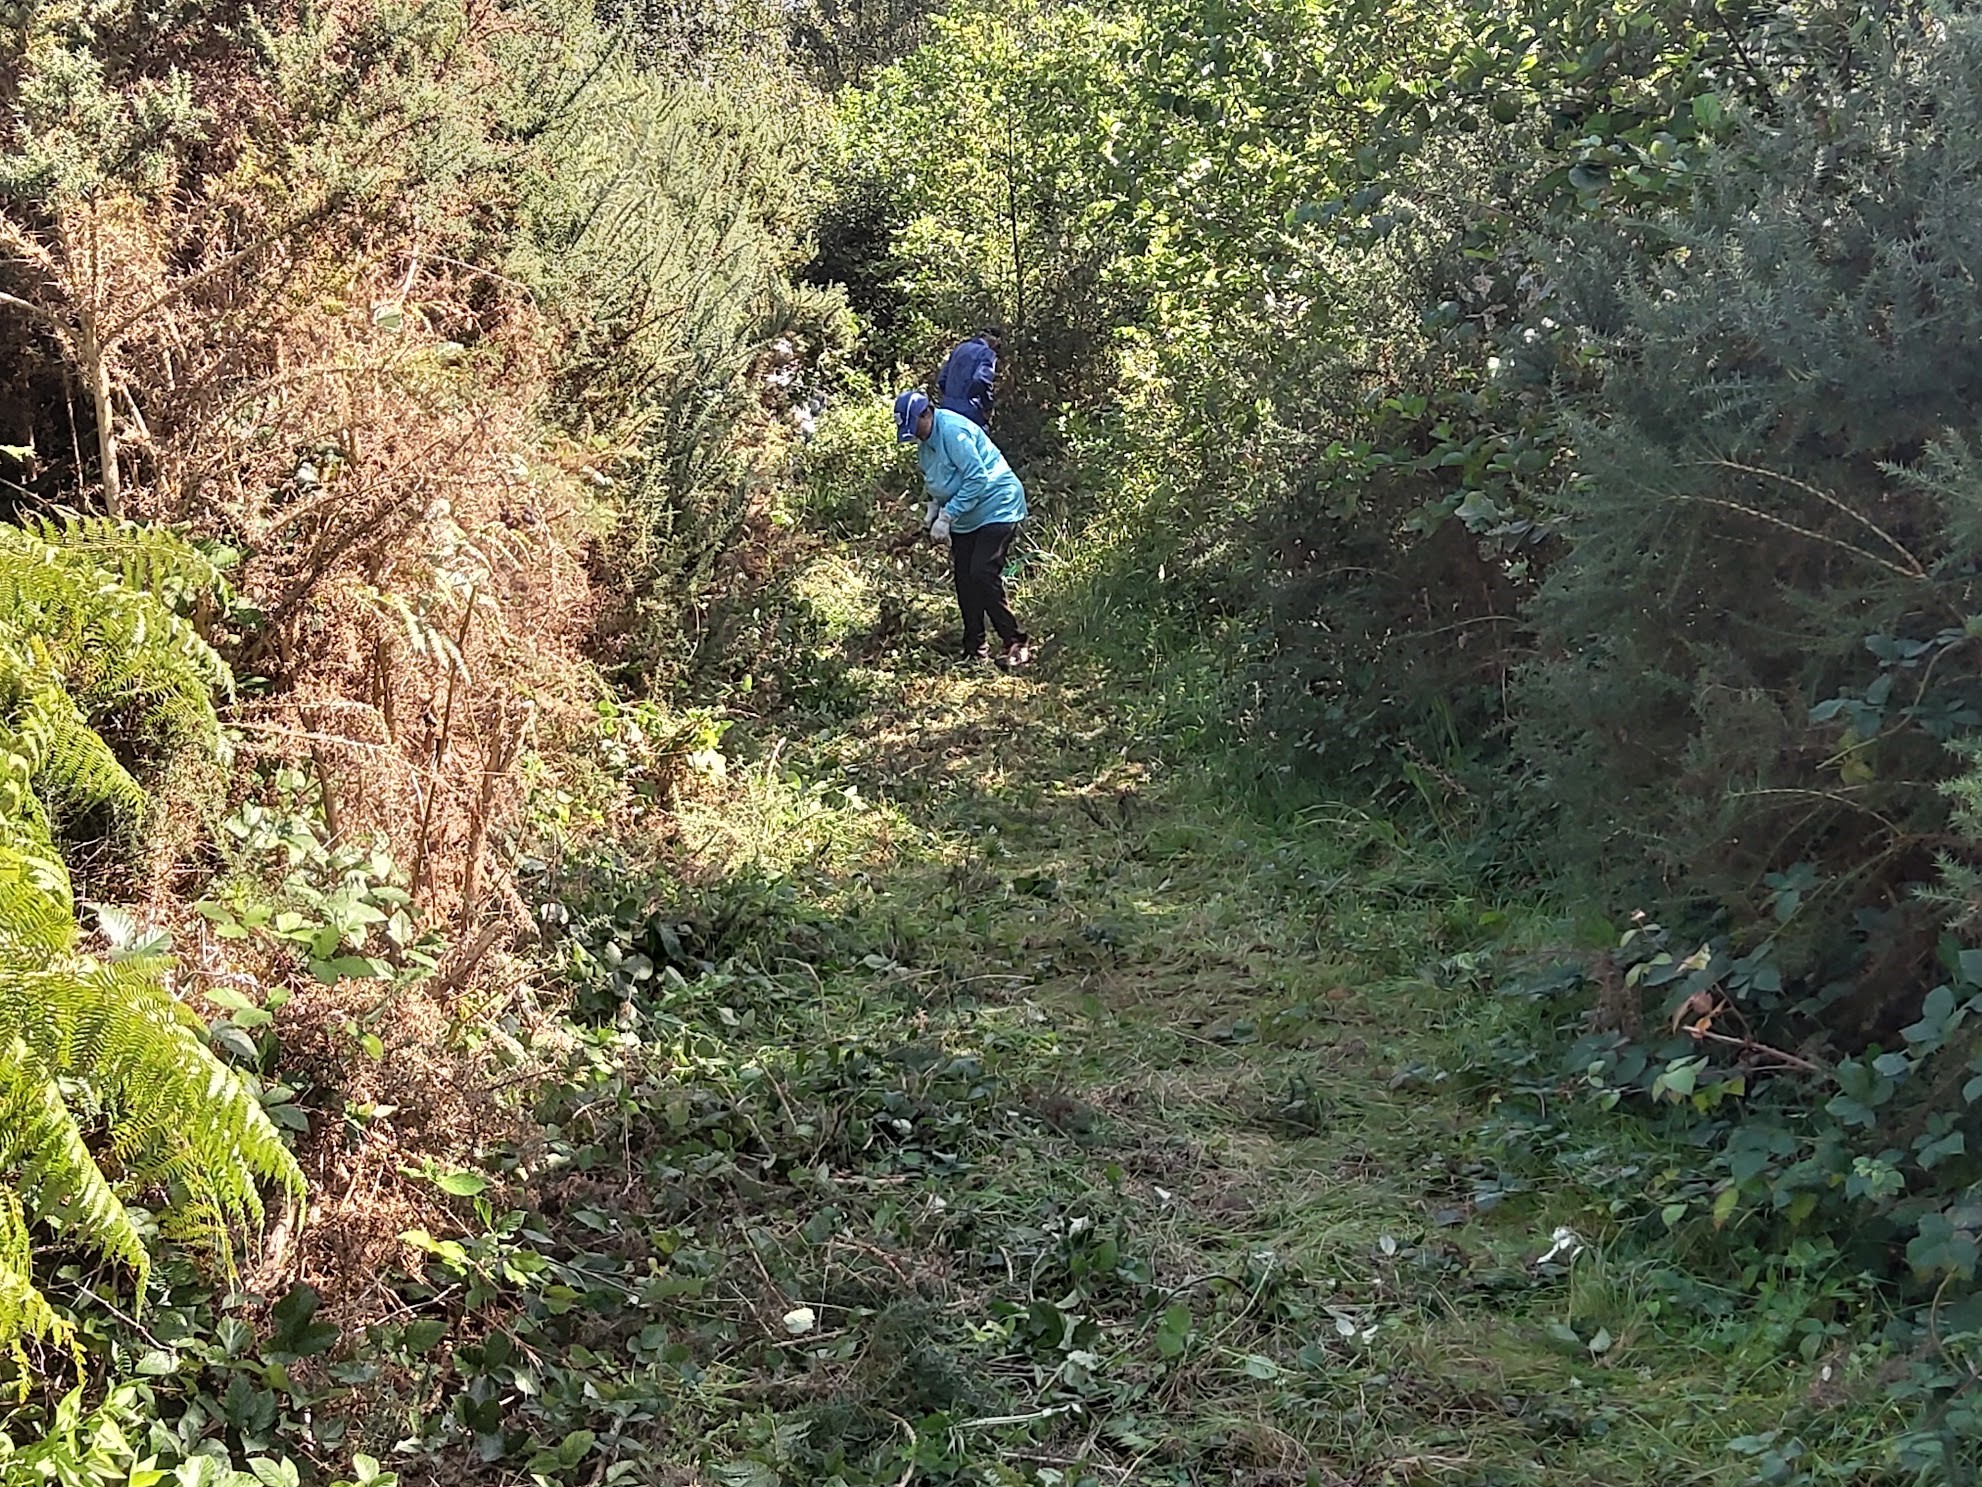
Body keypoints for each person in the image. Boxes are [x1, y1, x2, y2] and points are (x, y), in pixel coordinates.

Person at [894, 389, 1032, 667]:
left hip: (997, 504)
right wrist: (933, 510)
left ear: (927, 413)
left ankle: (1016, 643)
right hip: (966, 516)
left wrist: (947, 517)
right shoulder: (925, 445)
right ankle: (974, 650)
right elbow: (939, 482)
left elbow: (977, 479)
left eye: (915, 426)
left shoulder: (954, 432)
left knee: (982, 571)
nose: (915, 435)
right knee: (964, 579)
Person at [936, 326, 1002, 427]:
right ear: (994, 339)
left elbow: (942, 379)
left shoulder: (959, 349)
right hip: (970, 413)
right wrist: (987, 407)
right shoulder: (987, 353)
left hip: (947, 408)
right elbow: (981, 381)